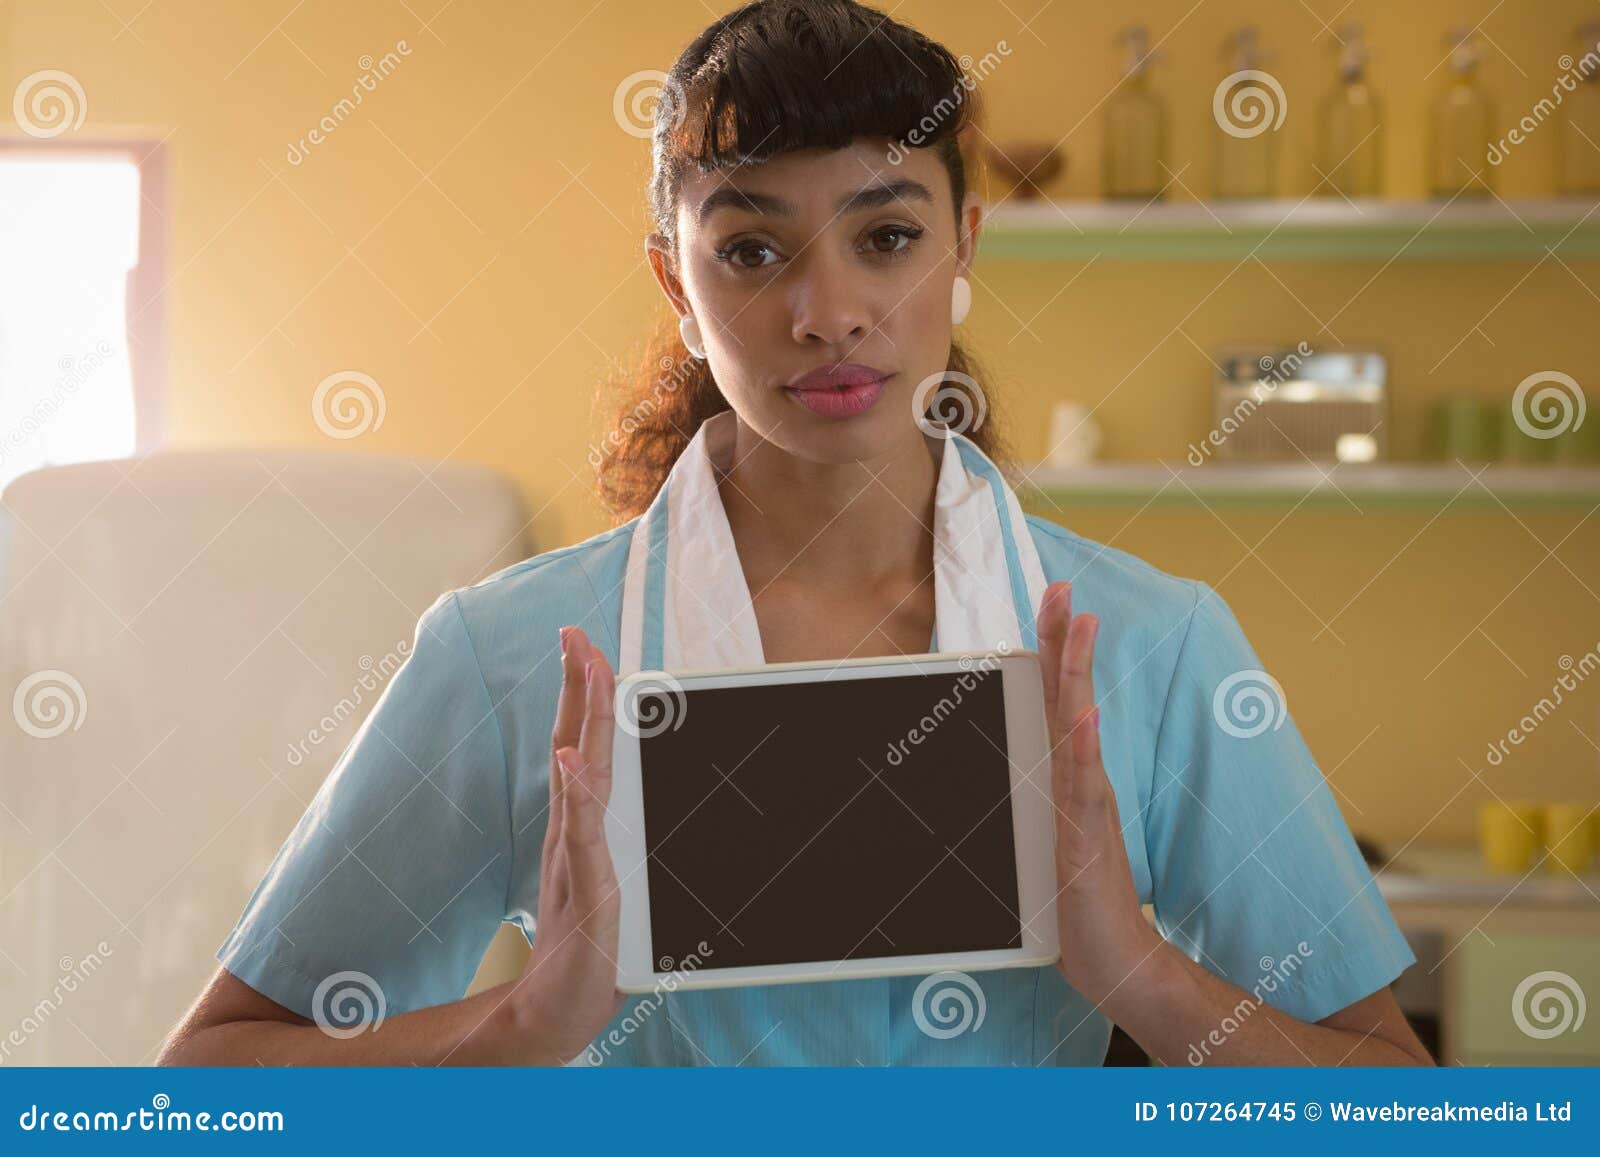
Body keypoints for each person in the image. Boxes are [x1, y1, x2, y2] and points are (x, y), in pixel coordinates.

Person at [159, 0, 1429, 1067]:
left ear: (963, 246)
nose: (829, 311)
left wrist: (1141, 976)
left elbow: (1412, 1105)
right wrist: (526, 1020)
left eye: (887, 237)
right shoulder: (507, 662)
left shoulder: (1152, 649)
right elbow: (209, 1087)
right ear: (676, 279)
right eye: (754, 247)